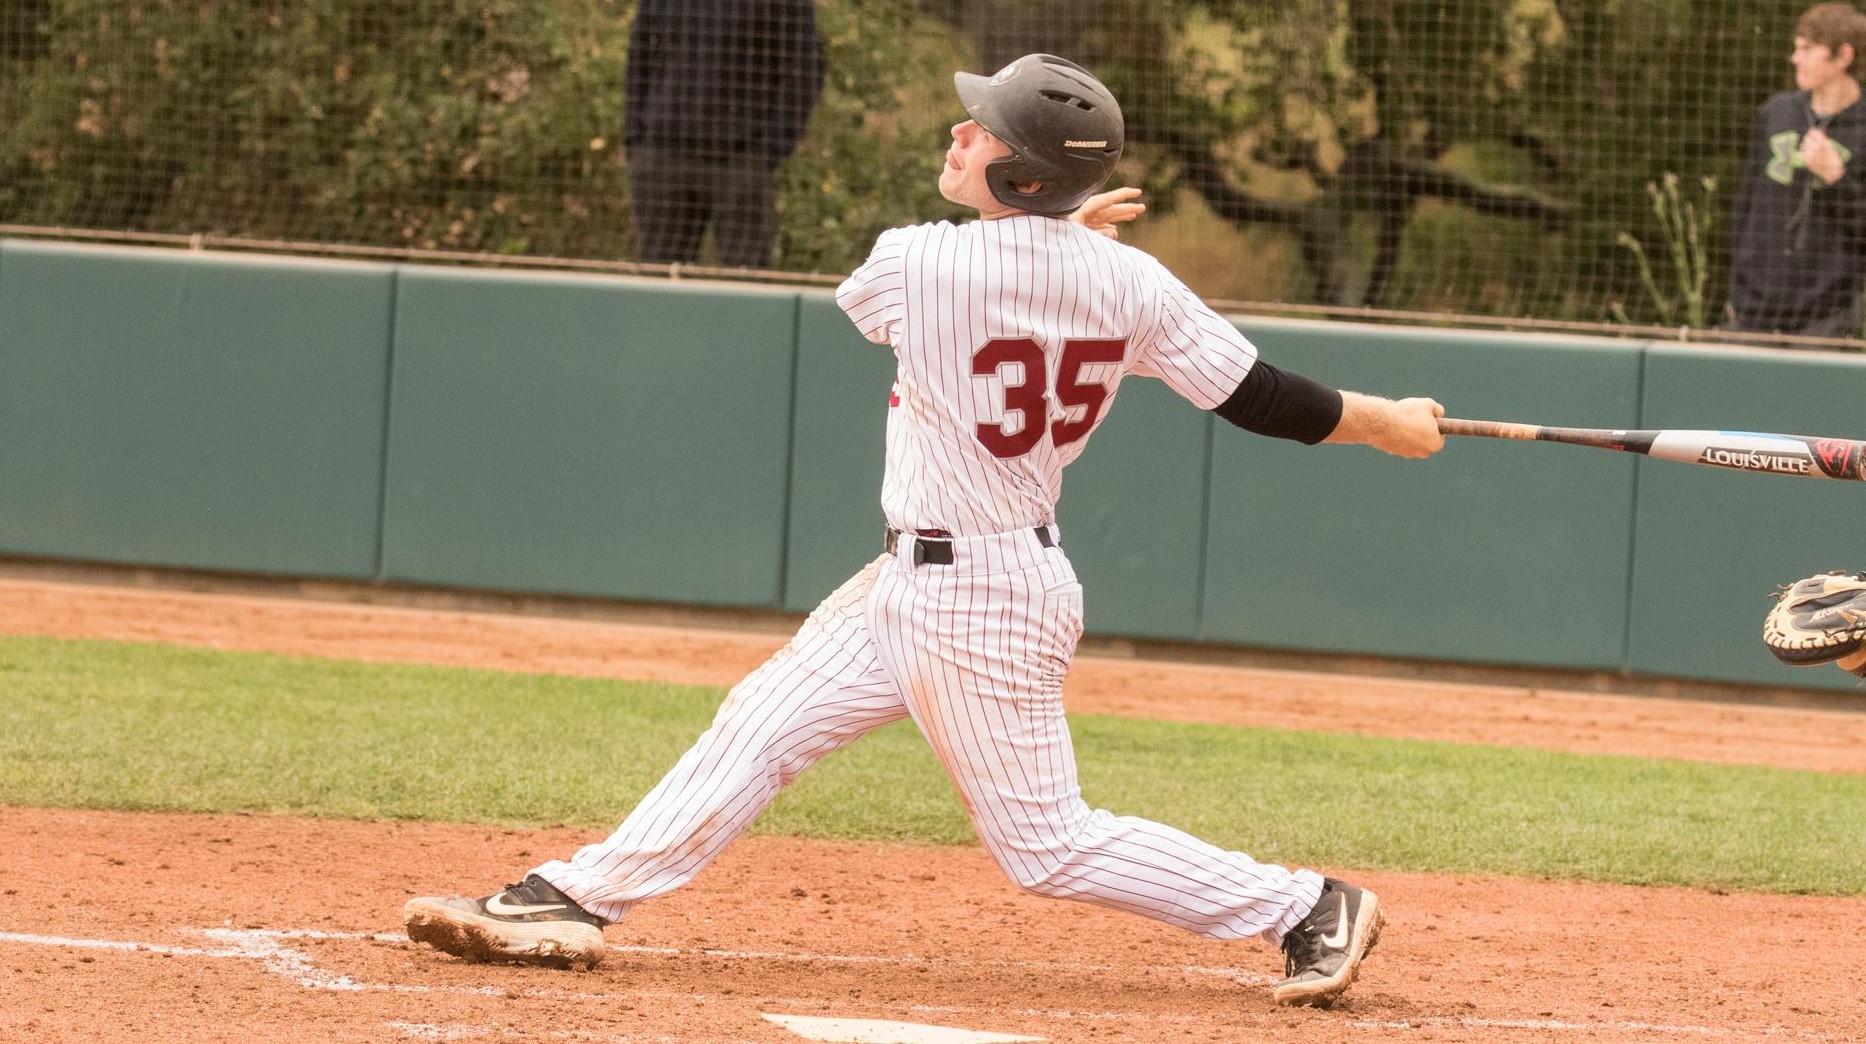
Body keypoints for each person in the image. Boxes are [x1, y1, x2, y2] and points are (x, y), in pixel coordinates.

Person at [406, 53, 1446, 1009]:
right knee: (760, 725)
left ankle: (1304, 906)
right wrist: (1386, 422)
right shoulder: (1132, 282)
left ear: (1026, 180)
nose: (958, 136)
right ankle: (573, 896)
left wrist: (1048, 250)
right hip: (924, 578)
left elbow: (939, 295)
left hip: (979, 595)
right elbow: (1263, 397)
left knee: (1047, 847)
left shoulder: (917, 261)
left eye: (981, 134)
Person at [623, 0, 825, 269]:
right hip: (663, 155)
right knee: (657, 286)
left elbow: (806, 65)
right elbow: (639, 53)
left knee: (749, 286)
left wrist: (771, 148)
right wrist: (635, 136)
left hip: (742, 161)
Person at [1725, 3, 1866, 340]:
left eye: (1806, 49)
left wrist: (1837, 180)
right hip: (1752, 309)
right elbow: (1745, 208)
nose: (1795, 58)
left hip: (1827, 316)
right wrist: (1735, 292)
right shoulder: (1776, 113)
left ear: (1842, 56)